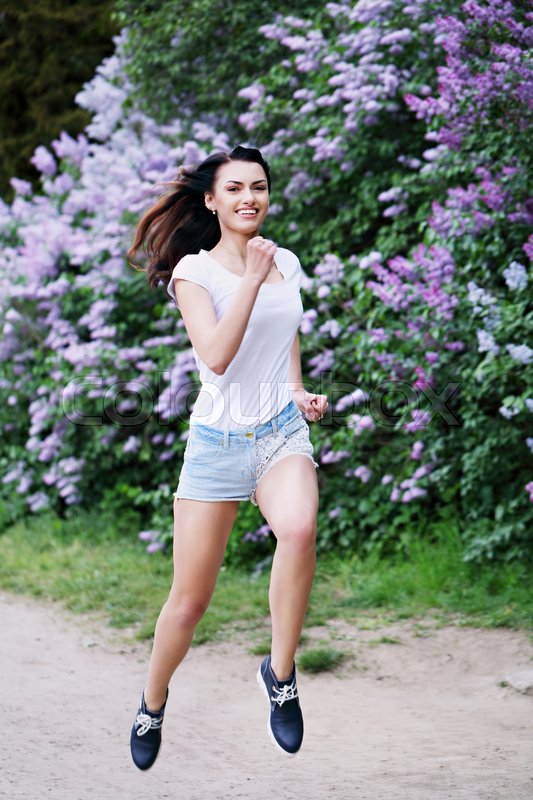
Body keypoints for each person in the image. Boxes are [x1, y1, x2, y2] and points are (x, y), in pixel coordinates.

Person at [127, 145, 328, 769]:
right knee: (188, 603)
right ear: (211, 201)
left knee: (298, 528)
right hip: (216, 444)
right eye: (236, 188)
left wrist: (295, 390)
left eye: (260, 187)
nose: (250, 198)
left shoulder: (284, 260)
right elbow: (215, 356)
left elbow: (284, 329)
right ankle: (152, 702)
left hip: (278, 433)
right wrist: (249, 276)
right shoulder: (194, 272)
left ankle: (280, 673)